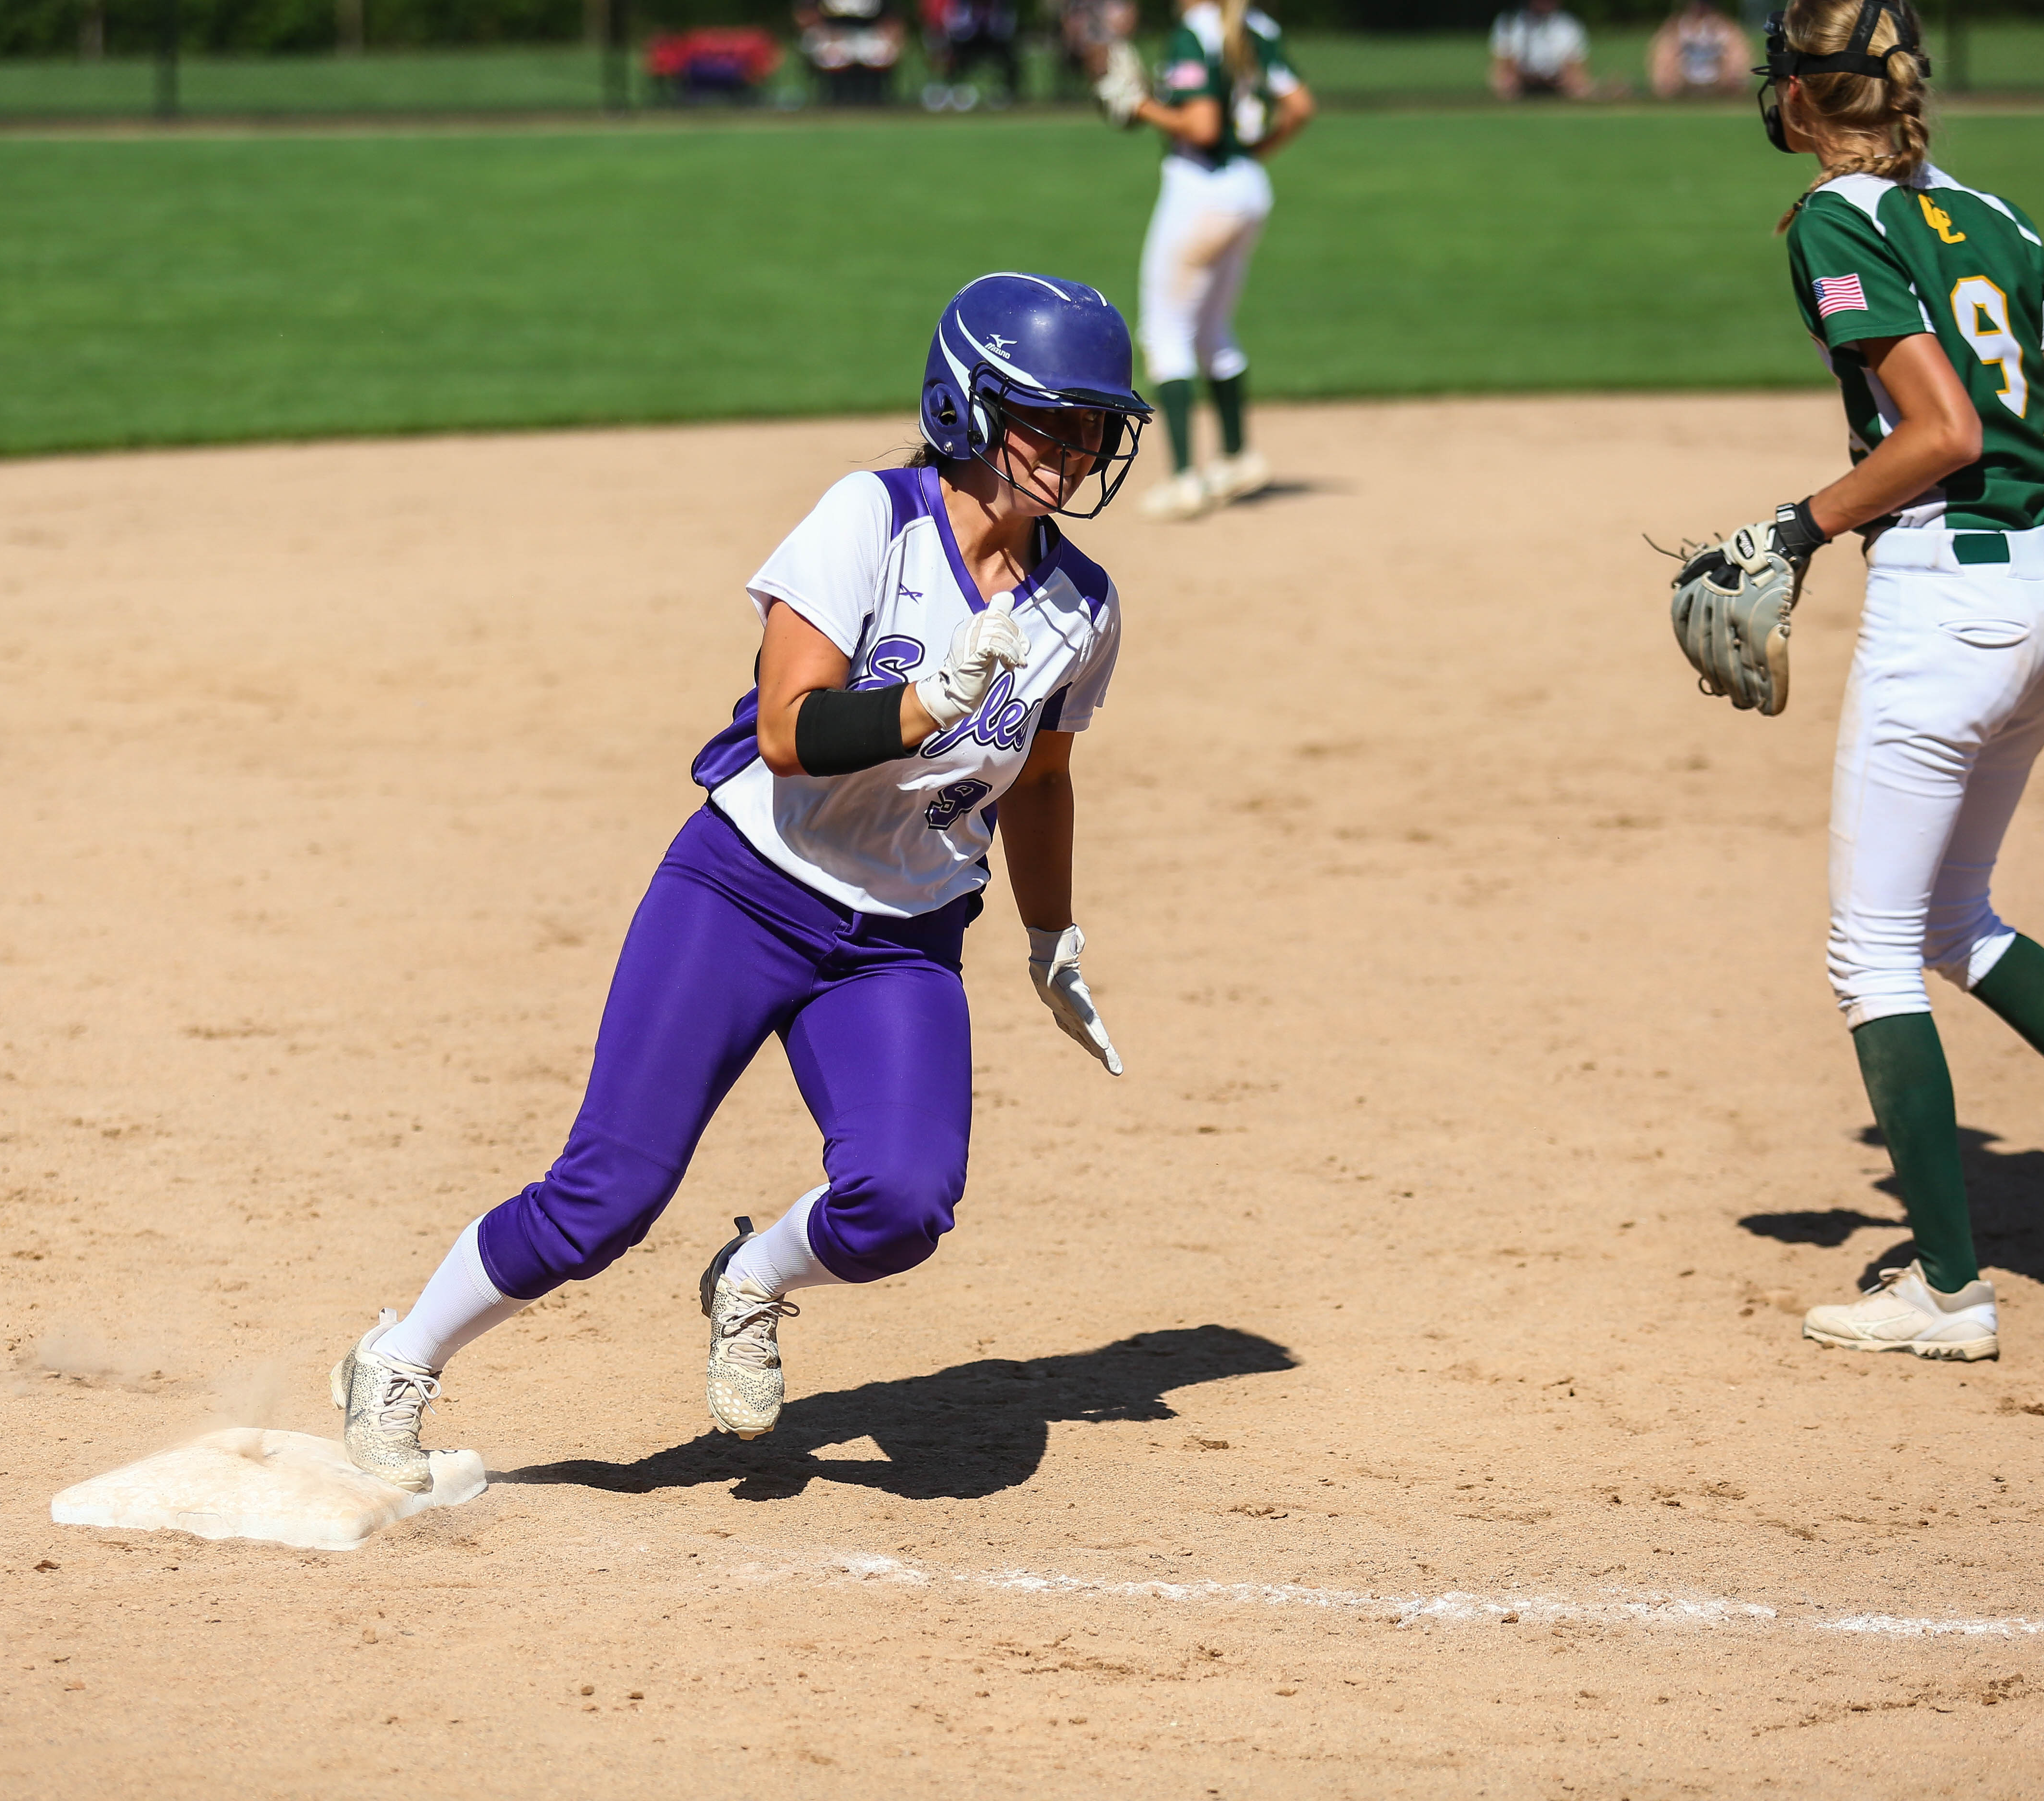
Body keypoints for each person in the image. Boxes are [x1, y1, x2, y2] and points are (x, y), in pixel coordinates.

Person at [332, 274, 1151, 1489]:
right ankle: (396, 1359)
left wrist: (1051, 938)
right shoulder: (868, 521)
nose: (1077, 451)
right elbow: (785, 729)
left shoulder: (1079, 606)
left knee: (903, 1202)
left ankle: (751, 1278)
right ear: (967, 407)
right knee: (606, 1196)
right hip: (745, 892)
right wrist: (926, 699)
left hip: (902, 935)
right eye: (1052, 420)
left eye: (1095, 427)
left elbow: (1038, 780)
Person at [1704, 0, 2044, 1361]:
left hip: (1945, 609)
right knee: (1949, 917)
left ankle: (1946, 1290)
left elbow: (1941, 431)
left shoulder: (1837, 220)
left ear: (1799, 97)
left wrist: (1794, 528)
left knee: (1869, 950)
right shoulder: (1989, 215)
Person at [1108, 0, 1314, 521]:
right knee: (1212, 327)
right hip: (1246, 189)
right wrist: (1253, 152)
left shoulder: (1194, 32)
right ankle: (1238, 459)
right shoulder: (1257, 25)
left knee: (1165, 332)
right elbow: (1299, 106)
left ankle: (1184, 481)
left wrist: (1140, 107)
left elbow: (1201, 127)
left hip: (1200, 192)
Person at [1489, 0, 1591, 100]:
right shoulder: (1509, 22)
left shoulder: (1569, 25)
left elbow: (1575, 67)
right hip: (1521, 80)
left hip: (1558, 81)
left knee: (1580, 88)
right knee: (1506, 84)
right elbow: (1503, 64)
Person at [1649, 0, 1749, 96]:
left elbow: (1738, 59)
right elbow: (1664, 61)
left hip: (1718, 83)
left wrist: (1730, 76)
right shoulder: (1675, 28)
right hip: (1684, 84)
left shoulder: (1725, 28)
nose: (1699, 8)